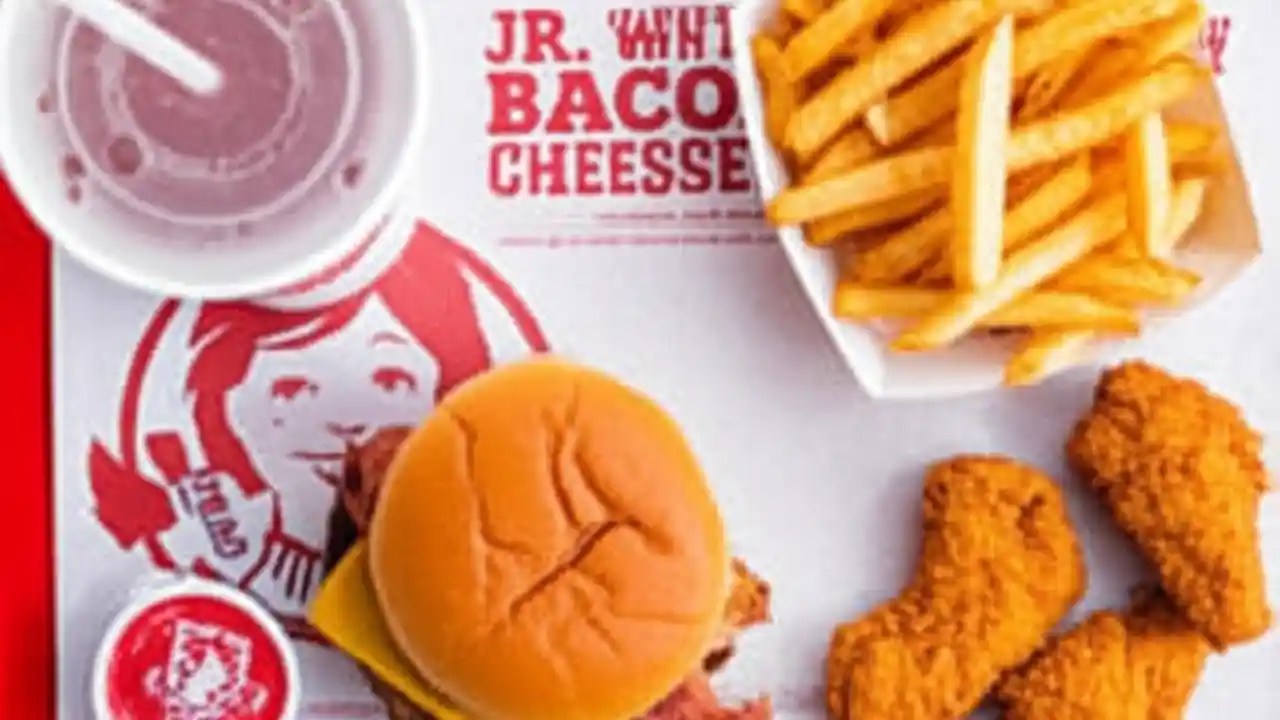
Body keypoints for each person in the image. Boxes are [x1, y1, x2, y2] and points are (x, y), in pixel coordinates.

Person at [88, 222, 548, 636]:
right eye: (291, 389)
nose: (342, 424)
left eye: (392, 379)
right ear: (222, 411)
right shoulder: (223, 532)